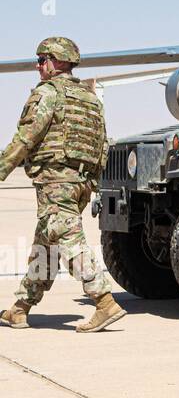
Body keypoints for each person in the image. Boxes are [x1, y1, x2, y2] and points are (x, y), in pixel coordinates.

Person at [0, 37, 125, 332]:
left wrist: (2, 168)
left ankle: (104, 300)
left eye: (42, 59)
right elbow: (101, 143)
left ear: (56, 62)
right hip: (82, 181)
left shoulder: (48, 93)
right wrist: (92, 179)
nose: (38, 65)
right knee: (47, 243)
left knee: (67, 240)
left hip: (56, 179)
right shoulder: (90, 98)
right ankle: (20, 308)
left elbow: (27, 137)